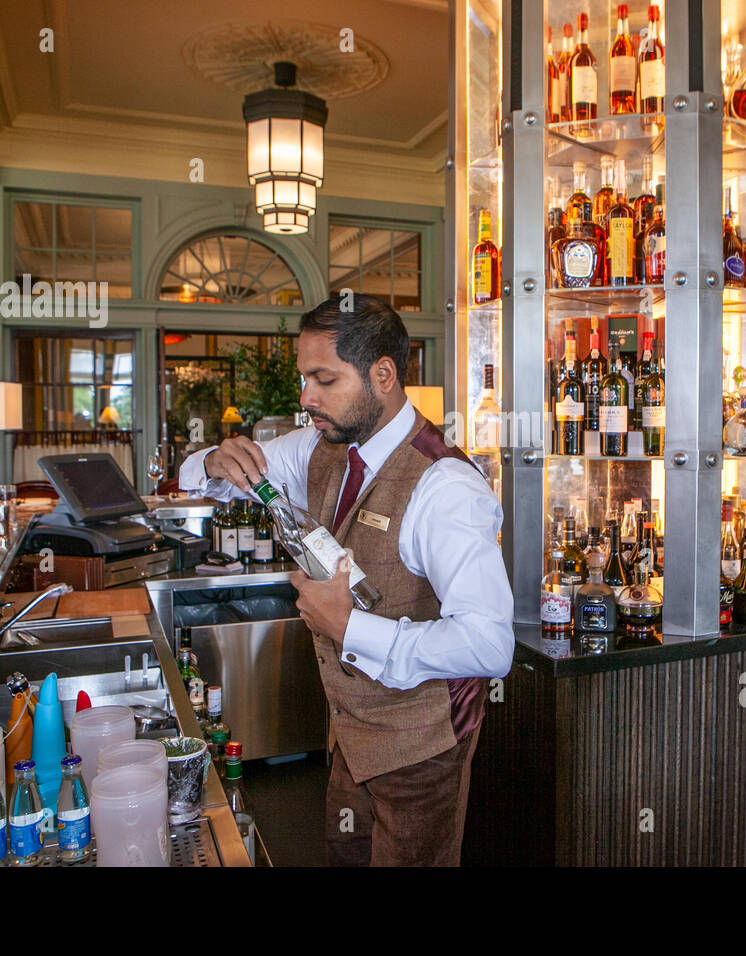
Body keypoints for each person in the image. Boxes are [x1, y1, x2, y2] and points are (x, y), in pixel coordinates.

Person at [180, 293, 513, 866]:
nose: (306, 399)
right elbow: (203, 477)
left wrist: (349, 627)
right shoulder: (321, 445)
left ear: (382, 374)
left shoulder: (446, 486)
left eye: (323, 380)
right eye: (305, 379)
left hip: (422, 746)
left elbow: (489, 644)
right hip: (349, 735)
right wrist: (212, 459)